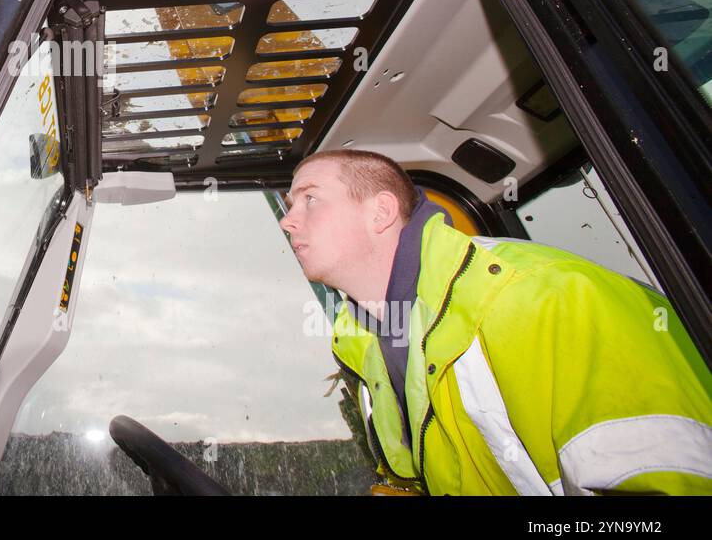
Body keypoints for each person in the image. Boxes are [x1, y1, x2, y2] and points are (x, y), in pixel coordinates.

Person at [278, 148, 712, 495]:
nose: (287, 220)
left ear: (381, 212)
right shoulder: (368, 346)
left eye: (310, 199)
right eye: (289, 205)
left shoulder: (542, 295)